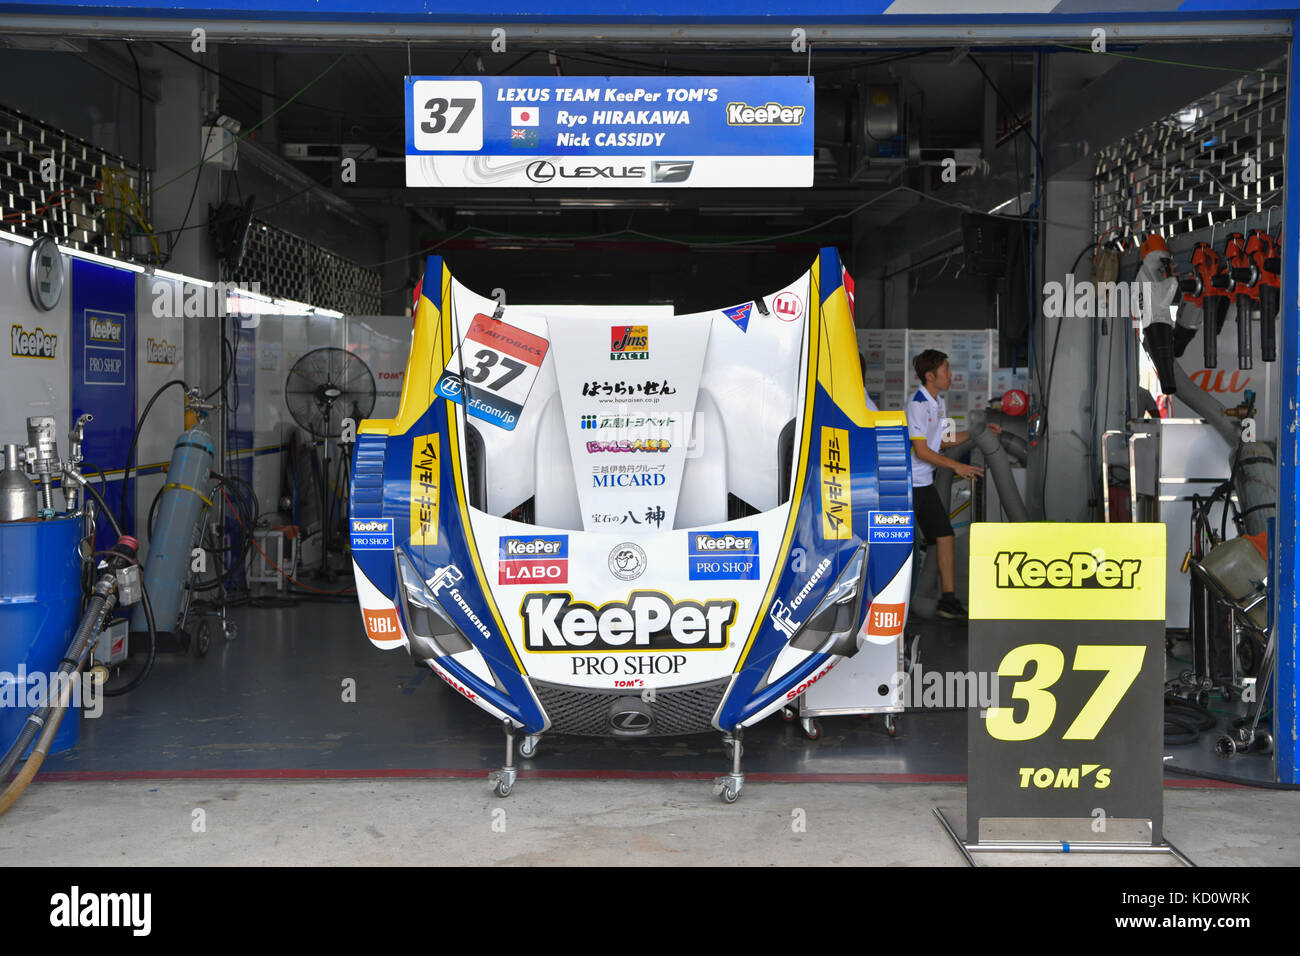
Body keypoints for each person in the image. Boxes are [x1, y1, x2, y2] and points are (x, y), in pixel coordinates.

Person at [907, 349, 1000, 621]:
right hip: (908, 485)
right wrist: (956, 466)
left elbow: (945, 440)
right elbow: (921, 451)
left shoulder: (939, 402)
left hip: (925, 483)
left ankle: (948, 600)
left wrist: (977, 432)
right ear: (930, 376)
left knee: (944, 535)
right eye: (946, 370)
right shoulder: (917, 404)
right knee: (906, 544)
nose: (950, 374)